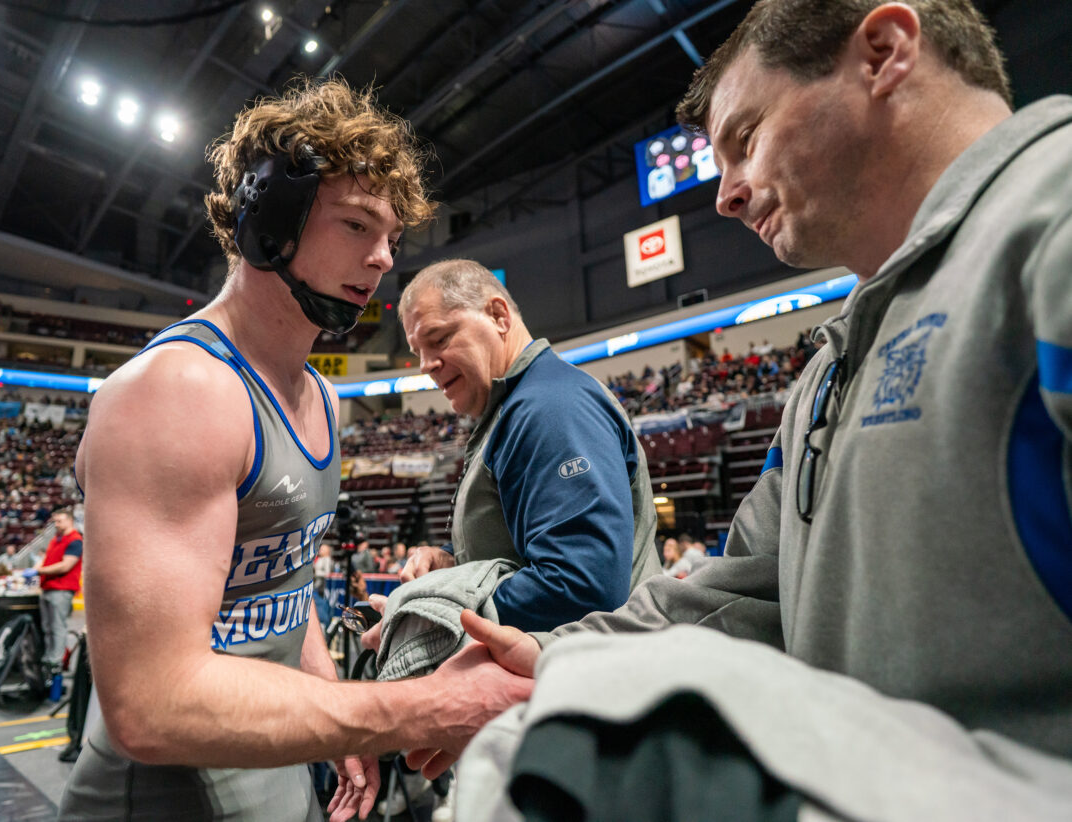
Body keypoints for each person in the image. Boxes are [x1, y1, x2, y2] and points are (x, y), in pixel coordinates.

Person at [396, 0, 1072, 808]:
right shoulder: (830, 368)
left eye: (744, 140)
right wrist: (550, 660)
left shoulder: (1052, 224)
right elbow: (738, 590)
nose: (724, 196)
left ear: (886, 52)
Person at [57, 79, 532, 822]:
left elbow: (286, 586)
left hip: (276, 773)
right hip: (163, 800)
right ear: (269, 218)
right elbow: (149, 705)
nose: (381, 260)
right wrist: (418, 708)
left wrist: (337, 708)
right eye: (356, 226)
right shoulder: (179, 391)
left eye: (391, 241)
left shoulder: (321, 399)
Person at [395, 259, 662, 631]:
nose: (424, 365)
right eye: (417, 351)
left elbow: (583, 587)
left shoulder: (550, 408)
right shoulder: (515, 408)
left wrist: (435, 610)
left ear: (498, 315)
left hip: (591, 678)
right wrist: (453, 567)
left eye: (438, 339)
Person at [35, 508, 83, 675]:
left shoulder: (75, 541)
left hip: (61, 590)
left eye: (59, 521)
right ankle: (48, 659)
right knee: (47, 627)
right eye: (54, 521)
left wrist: (40, 571)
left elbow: (66, 566)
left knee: (57, 627)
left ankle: (56, 663)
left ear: (70, 520)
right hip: (48, 588)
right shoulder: (56, 539)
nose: (56, 524)